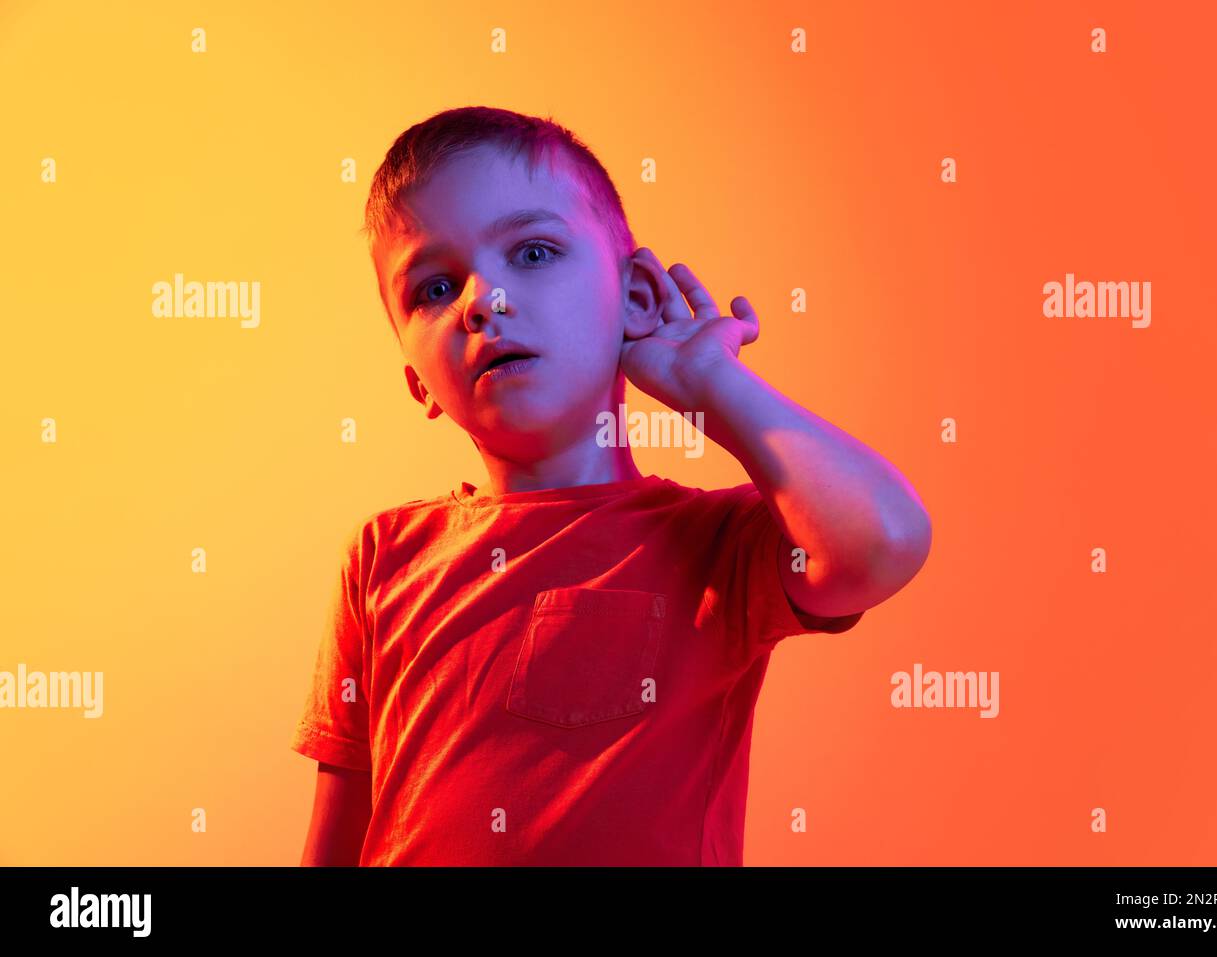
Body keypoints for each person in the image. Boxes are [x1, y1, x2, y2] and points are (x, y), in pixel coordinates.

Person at [291, 105, 932, 866]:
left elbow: (883, 541)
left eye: (531, 252)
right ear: (415, 381)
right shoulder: (381, 556)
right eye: (433, 288)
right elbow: (338, 835)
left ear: (631, 299)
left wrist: (711, 383)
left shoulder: (717, 547)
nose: (481, 302)